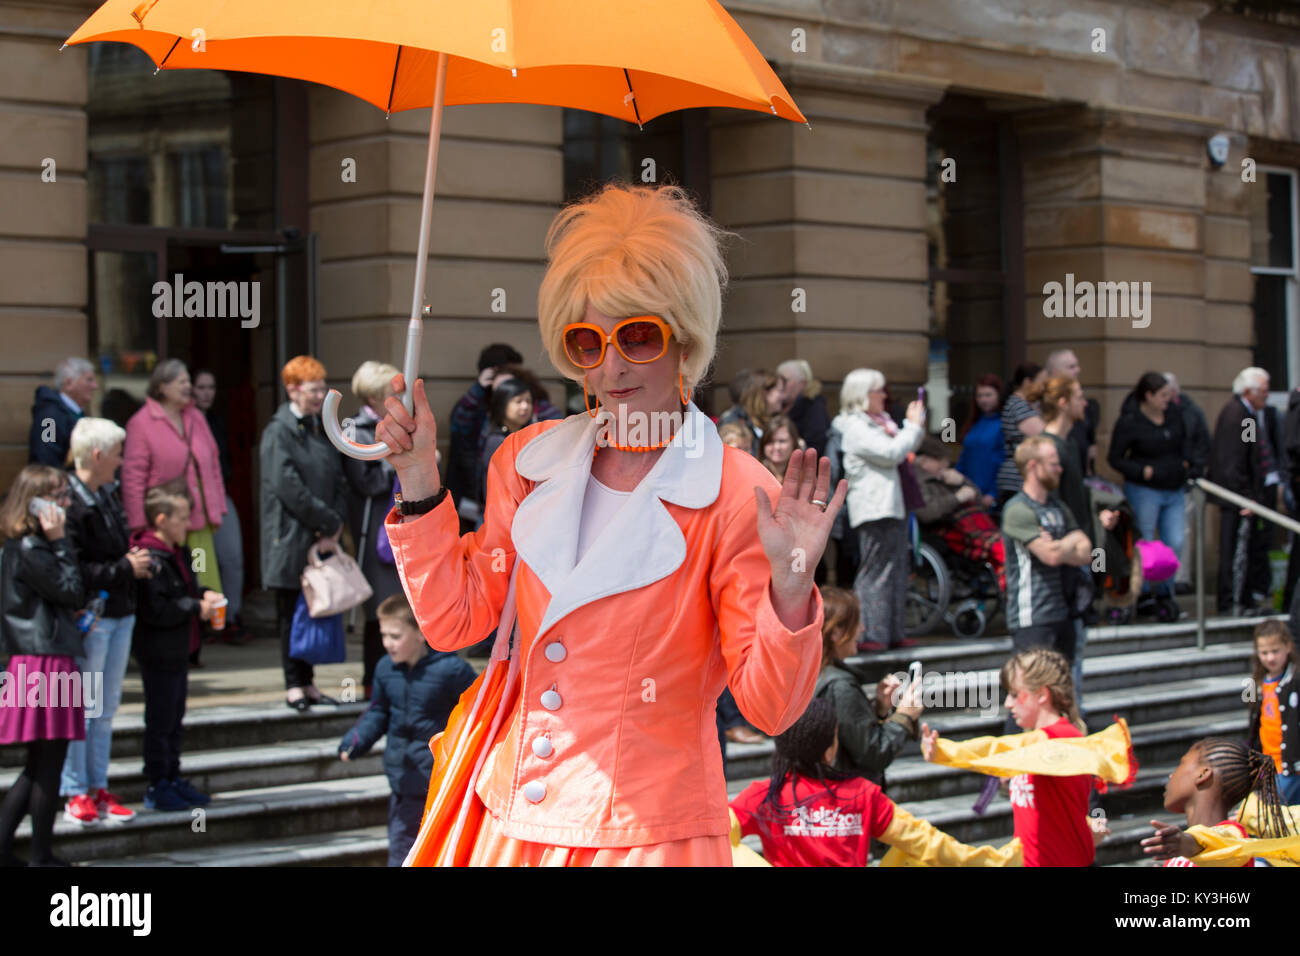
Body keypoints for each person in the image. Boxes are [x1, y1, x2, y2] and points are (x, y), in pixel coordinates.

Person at [377, 182, 843, 866]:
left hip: (648, 837)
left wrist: (794, 585)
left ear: (685, 340)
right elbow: (457, 623)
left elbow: (770, 709)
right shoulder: (527, 462)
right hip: (513, 823)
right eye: (588, 341)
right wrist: (419, 483)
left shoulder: (737, 490)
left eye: (639, 335)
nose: (614, 365)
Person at [729, 698, 1020, 867]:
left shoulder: (765, 795)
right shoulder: (862, 794)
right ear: (831, 748)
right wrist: (993, 861)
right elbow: (925, 841)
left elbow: (718, 834)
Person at [921, 648, 1102, 867]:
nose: (1007, 703)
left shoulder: (1061, 738)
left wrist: (945, 751)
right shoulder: (1035, 740)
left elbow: (996, 748)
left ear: (1042, 695)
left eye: (1015, 694)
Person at [59, 419, 151, 826]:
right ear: (97, 455)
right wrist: (124, 567)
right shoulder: (69, 502)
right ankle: (74, 788)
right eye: (117, 452)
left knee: (106, 707)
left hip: (119, 614)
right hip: (92, 617)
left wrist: (129, 564)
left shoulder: (107, 495)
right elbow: (72, 570)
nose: (122, 460)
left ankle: (97, 785)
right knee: (83, 706)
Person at [338, 594, 476, 866]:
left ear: (421, 633)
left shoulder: (452, 670)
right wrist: (356, 740)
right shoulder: (384, 668)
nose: (388, 643)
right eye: (384, 635)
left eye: (396, 635)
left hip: (438, 780)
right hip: (402, 777)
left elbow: (475, 715)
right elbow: (378, 710)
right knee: (401, 850)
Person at [0, 466, 85, 866]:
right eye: (59, 495)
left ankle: (10, 850)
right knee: (48, 762)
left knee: (37, 764)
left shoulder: (19, 546)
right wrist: (61, 541)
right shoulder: (34, 547)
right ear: (36, 502)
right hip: (45, 663)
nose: (66, 503)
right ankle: (40, 855)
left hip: (34, 660)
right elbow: (71, 590)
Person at [259, 355, 350, 713]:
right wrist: (327, 522)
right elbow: (287, 486)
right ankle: (293, 684)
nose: (319, 396)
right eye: (313, 390)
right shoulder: (278, 431)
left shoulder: (319, 428)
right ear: (293, 390)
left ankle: (308, 682)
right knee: (290, 612)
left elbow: (339, 479)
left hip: (320, 533)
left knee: (314, 608)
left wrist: (334, 523)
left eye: (322, 389)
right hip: (291, 536)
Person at [129, 483, 220, 811]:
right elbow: (157, 608)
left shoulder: (176, 552)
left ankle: (172, 775)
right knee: (160, 718)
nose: (189, 523)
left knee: (174, 717)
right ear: (162, 519)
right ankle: (157, 784)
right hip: (158, 650)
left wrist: (205, 593)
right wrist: (196, 608)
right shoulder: (150, 557)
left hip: (180, 649)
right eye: (183, 517)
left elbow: (186, 589)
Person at [122, 359, 226, 621]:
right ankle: (185, 636)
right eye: (182, 382)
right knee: (174, 579)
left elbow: (213, 462)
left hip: (197, 518)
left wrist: (217, 506)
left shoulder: (195, 418)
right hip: (164, 521)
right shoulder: (141, 423)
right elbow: (133, 476)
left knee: (201, 575)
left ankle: (201, 632)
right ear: (162, 387)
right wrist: (138, 523)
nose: (188, 387)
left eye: (188, 381)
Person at [831, 368, 924, 652]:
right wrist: (914, 426)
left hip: (891, 505)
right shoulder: (855, 426)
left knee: (896, 569)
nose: (884, 396)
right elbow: (892, 452)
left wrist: (909, 429)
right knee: (876, 571)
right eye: (878, 390)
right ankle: (870, 632)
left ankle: (893, 631)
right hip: (874, 507)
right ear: (862, 395)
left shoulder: (879, 422)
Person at [1001, 437, 1092, 668]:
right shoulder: (1017, 509)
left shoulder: (1058, 507)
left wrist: (1061, 544)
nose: (1059, 469)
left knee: (1062, 693)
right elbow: (1050, 556)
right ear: (1033, 466)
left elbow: (1086, 551)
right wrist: (1068, 544)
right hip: (1032, 618)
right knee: (1031, 693)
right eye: (1053, 464)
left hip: (1063, 613)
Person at [815, 587, 920, 786]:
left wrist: (878, 709)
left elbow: (848, 732)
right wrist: (904, 716)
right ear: (835, 633)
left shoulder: (812, 674)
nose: (862, 629)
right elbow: (873, 753)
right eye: (856, 623)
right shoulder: (839, 686)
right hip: (847, 799)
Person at [344, 361, 406, 699]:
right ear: (373, 396)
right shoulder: (357, 428)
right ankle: (373, 681)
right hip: (372, 531)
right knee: (377, 612)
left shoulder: (392, 424)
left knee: (399, 606)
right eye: (390, 394)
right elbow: (364, 480)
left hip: (394, 527)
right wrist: (398, 464)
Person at [1142, 736, 1294, 866]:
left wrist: (1188, 842)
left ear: (1203, 774)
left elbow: (1216, 841)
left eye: (1181, 763)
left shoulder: (1234, 838)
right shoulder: (1179, 852)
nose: (1171, 776)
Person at [1108, 372, 1189, 612]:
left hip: (1173, 488)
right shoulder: (1130, 421)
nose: (1169, 399)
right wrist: (1141, 470)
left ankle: (1165, 591)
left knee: (1174, 541)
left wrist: (1187, 466)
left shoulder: (1174, 416)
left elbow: (1187, 443)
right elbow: (1115, 458)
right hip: (1145, 490)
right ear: (1149, 395)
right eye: (1163, 395)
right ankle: (1141, 593)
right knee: (1143, 542)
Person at [1210, 367, 1275, 615]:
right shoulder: (1239, 416)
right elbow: (1235, 460)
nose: (1267, 397)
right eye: (1264, 392)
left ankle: (1241, 599)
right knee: (1235, 550)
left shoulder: (1246, 415)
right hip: (1236, 497)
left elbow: (1249, 453)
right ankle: (1233, 601)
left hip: (1241, 494)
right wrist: (1244, 496)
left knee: (1243, 549)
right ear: (1249, 392)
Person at [191, 369, 249, 644]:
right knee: (201, 562)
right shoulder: (185, 422)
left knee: (232, 558)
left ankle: (231, 616)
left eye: (210, 387)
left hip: (219, 496)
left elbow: (223, 462)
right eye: (200, 387)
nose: (206, 393)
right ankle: (205, 620)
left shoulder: (215, 421)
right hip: (192, 502)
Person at [913, 436, 1005, 589]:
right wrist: (957, 497)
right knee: (998, 547)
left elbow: (979, 502)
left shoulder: (945, 476)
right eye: (940, 461)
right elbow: (927, 513)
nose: (946, 464)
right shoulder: (918, 483)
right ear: (924, 461)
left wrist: (963, 481)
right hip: (949, 530)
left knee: (1001, 543)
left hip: (973, 525)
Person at [446, 343, 523, 508]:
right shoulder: (475, 403)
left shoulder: (525, 400)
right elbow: (458, 428)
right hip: (473, 493)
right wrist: (479, 388)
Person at [1247, 619, 1300, 805]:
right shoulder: (1252, 682)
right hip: (1267, 765)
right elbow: (1252, 721)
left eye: (1275, 651)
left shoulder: (1296, 679)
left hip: (1291, 766)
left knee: (1268, 813)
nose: (1270, 658)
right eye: (1264, 652)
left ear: (1288, 647)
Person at [476, 377, 536, 509]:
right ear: (502, 405)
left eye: (528, 401)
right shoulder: (496, 441)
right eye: (518, 401)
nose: (525, 406)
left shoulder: (530, 435)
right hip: (502, 512)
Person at [28, 357, 98, 468]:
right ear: (69, 383)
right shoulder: (49, 416)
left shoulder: (74, 412)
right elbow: (45, 454)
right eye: (89, 380)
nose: (95, 386)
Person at [995, 363, 1046, 506]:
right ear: (1027, 382)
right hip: (1016, 477)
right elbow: (1043, 435)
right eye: (1041, 382)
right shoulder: (1017, 404)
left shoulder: (1025, 404)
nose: (1043, 387)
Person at [1043, 349, 1100, 476]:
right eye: (1071, 367)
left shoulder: (1071, 442)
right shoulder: (1043, 404)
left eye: (1077, 365)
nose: (1077, 370)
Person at [955, 373, 1004, 507]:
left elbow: (1005, 461)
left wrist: (993, 493)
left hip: (990, 495)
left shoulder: (1004, 424)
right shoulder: (974, 423)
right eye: (979, 395)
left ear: (999, 396)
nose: (983, 400)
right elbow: (964, 458)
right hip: (969, 492)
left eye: (988, 395)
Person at [770, 360, 829, 457]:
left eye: (784, 380)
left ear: (802, 383)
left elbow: (816, 444)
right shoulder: (779, 404)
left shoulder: (813, 406)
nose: (779, 385)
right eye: (777, 380)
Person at [718, 368, 777, 453]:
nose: (783, 395)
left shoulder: (765, 421)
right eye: (779, 390)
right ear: (764, 393)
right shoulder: (734, 420)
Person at [758, 415, 800, 484]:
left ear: (794, 443)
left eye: (782, 441)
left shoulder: (803, 478)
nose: (777, 447)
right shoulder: (755, 475)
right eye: (771, 441)